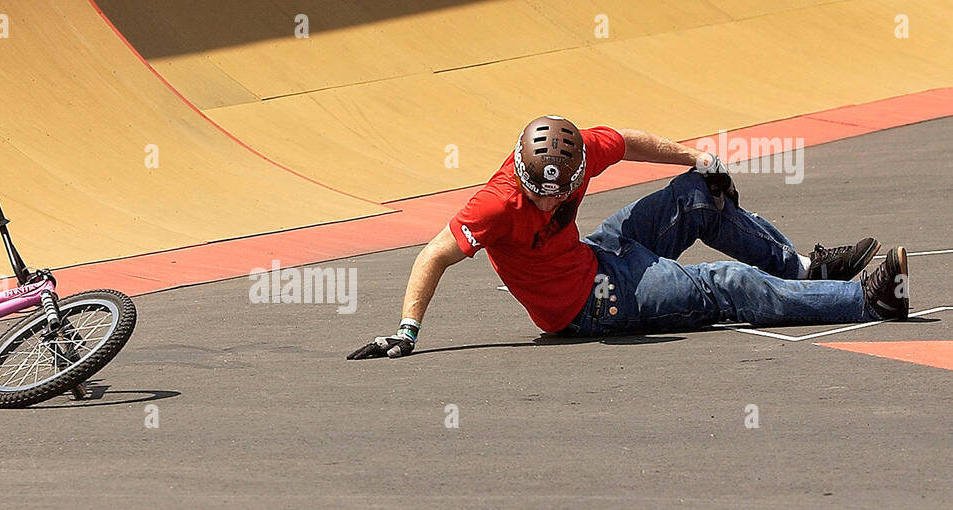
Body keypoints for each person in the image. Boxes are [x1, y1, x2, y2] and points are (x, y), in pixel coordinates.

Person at [348, 116, 909, 360]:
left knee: (697, 193)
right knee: (725, 285)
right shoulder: (496, 204)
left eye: (558, 193)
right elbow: (434, 255)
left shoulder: (581, 153)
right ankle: (869, 300)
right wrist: (406, 331)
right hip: (590, 305)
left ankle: (805, 270)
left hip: (596, 253)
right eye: (538, 195)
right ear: (521, 174)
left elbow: (629, 141)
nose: (548, 203)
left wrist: (697, 157)